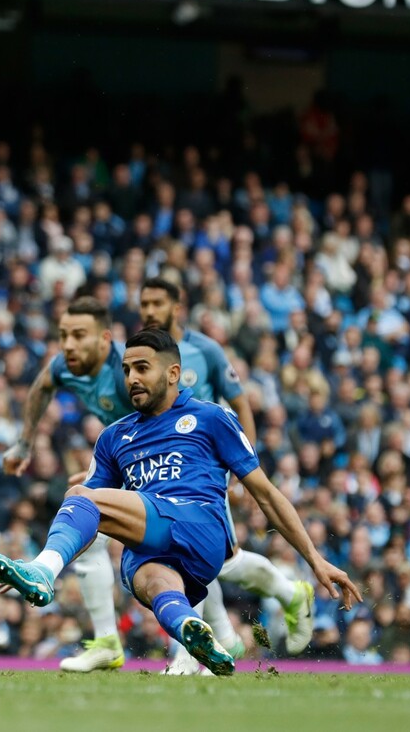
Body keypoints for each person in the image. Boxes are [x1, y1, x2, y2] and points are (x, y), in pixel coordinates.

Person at [0, 329, 360, 676]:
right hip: (151, 546)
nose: (132, 379)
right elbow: (90, 516)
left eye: (142, 368)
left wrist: (314, 559)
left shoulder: (210, 418)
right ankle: (194, 632)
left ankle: (41, 572)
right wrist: (67, 543)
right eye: (126, 370)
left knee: (78, 496)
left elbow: (267, 494)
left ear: (173, 373)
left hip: (199, 525)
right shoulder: (114, 437)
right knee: (151, 584)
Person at [140, 278, 317, 672]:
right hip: (160, 468)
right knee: (219, 562)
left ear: (177, 304)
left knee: (188, 554)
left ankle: (187, 656)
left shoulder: (206, 350)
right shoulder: (139, 354)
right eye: (144, 303)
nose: (149, 310)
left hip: (203, 469)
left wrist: (241, 465)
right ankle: (284, 598)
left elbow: (240, 404)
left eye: (157, 302)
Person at [3, 297, 134, 672]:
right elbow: (42, 385)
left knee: (218, 561)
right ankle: (107, 642)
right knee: (87, 530)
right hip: (120, 455)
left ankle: (285, 595)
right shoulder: (66, 365)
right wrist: (24, 442)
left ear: (105, 339)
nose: (69, 345)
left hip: (164, 456)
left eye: (79, 335)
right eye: (63, 335)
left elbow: (163, 422)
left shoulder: (126, 372)